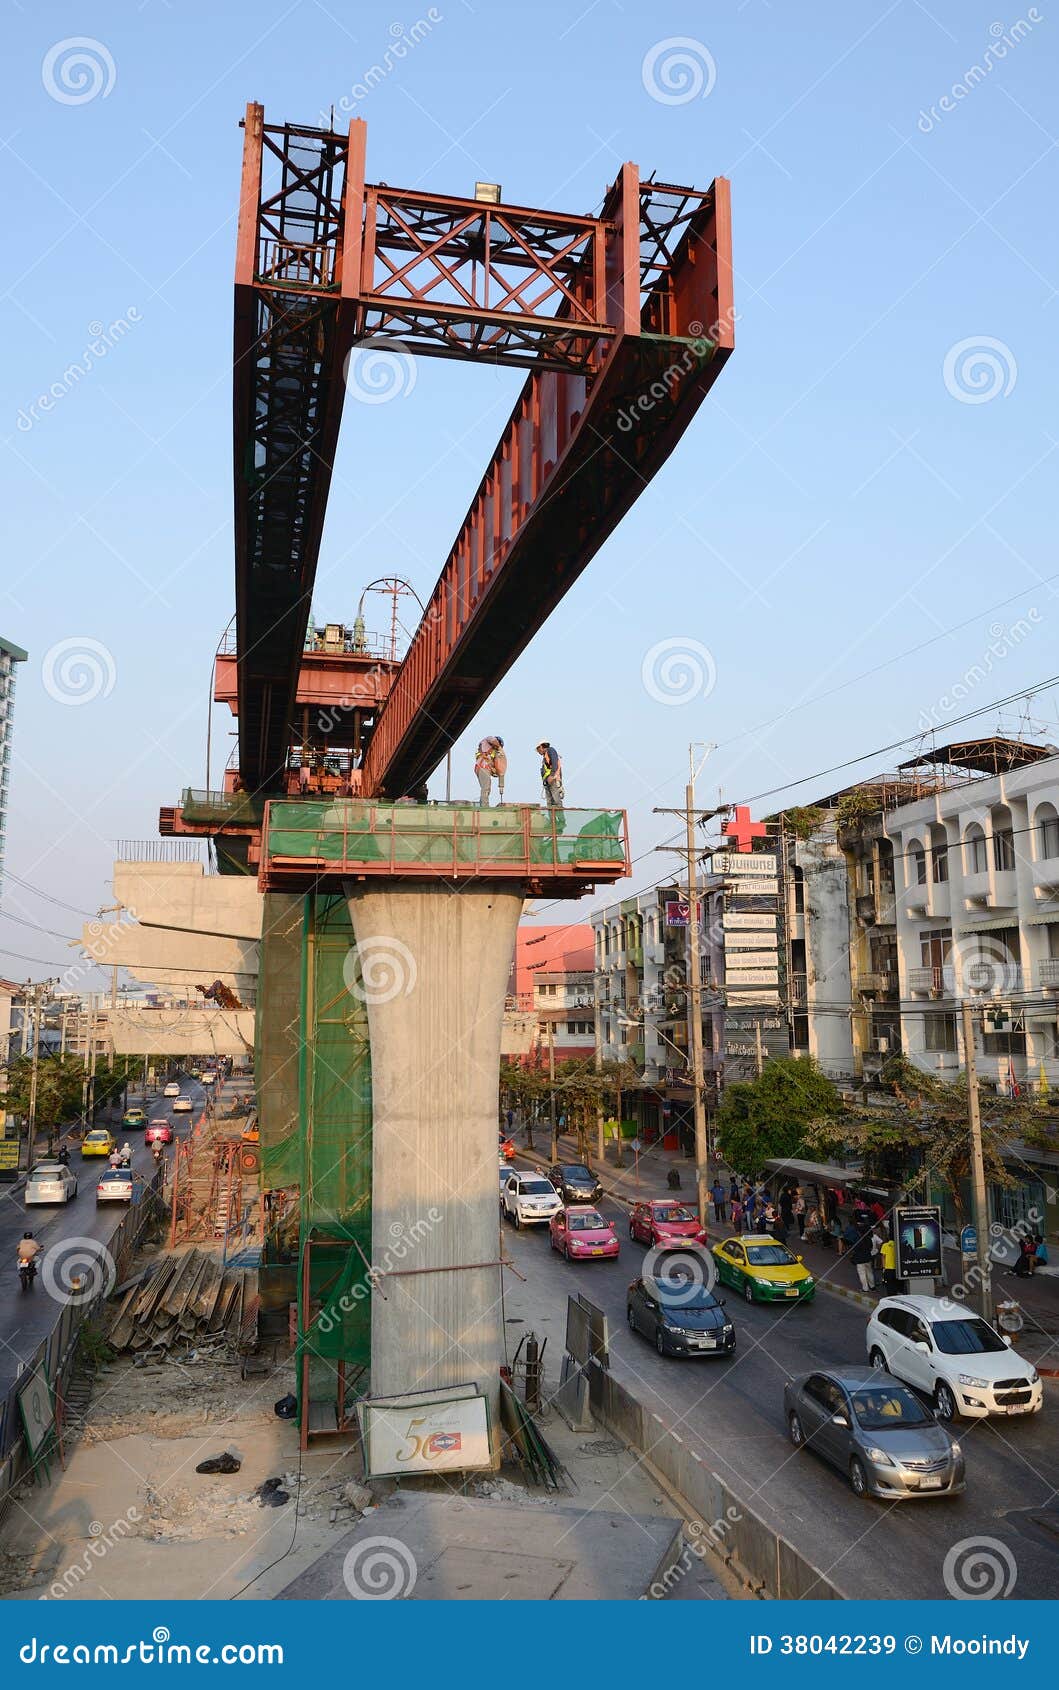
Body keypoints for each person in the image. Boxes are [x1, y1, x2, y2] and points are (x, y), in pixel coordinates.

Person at [474, 736, 504, 807]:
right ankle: (485, 806)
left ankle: (483, 804)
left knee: (487, 789)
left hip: (483, 767)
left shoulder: (491, 751)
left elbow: (496, 766)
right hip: (483, 766)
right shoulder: (489, 739)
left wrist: (495, 770)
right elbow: (494, 741)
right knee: (486, 788)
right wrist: (500, 748)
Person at [535, 741, 564, 809]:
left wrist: (551, 776)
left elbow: (555, 764)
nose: (538, 752)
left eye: (538, 750)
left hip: (553, 780)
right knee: (550, 802)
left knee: (556, 801)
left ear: (541, 747)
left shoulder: (551, 750)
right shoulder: (546, 755)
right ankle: (552, 819)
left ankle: (561, 819)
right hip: (548, 781)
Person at [849, 1221, 875, 1293]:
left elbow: (855, 1249)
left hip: (859, 1259)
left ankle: (865, 1288)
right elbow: (871, 1247)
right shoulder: (869, 1239)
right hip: (868, 1258)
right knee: (870, 1272)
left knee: (862, 1274)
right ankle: (872, 1287)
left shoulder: (858, 1239)